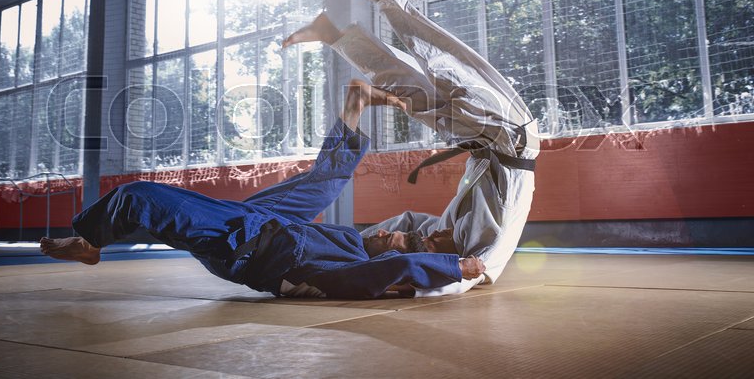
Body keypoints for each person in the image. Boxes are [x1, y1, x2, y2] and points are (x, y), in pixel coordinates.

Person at [40, 79, 485, 299]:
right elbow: (401, 245)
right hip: (276, 224)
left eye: (395, 240)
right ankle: (357, 102)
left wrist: (453, 266)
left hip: (245, 243)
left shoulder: (351, 270)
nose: (387, 231)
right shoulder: (355, 242)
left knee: (139, 195)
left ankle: (90, 241)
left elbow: (392, 270)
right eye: (396, 232)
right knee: (325, 181)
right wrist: (437, 237)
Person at [283, 0, 539, 296]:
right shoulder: (482, 253)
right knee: (444, 63)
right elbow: (452, 283)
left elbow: (404, 224)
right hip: (510, 131)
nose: (431, 235)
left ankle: (330, 34)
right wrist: (403, 284)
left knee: (404, 87)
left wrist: (351, 250)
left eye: (424, 242)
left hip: (475, 139)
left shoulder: (440, 236)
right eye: (429, 245)